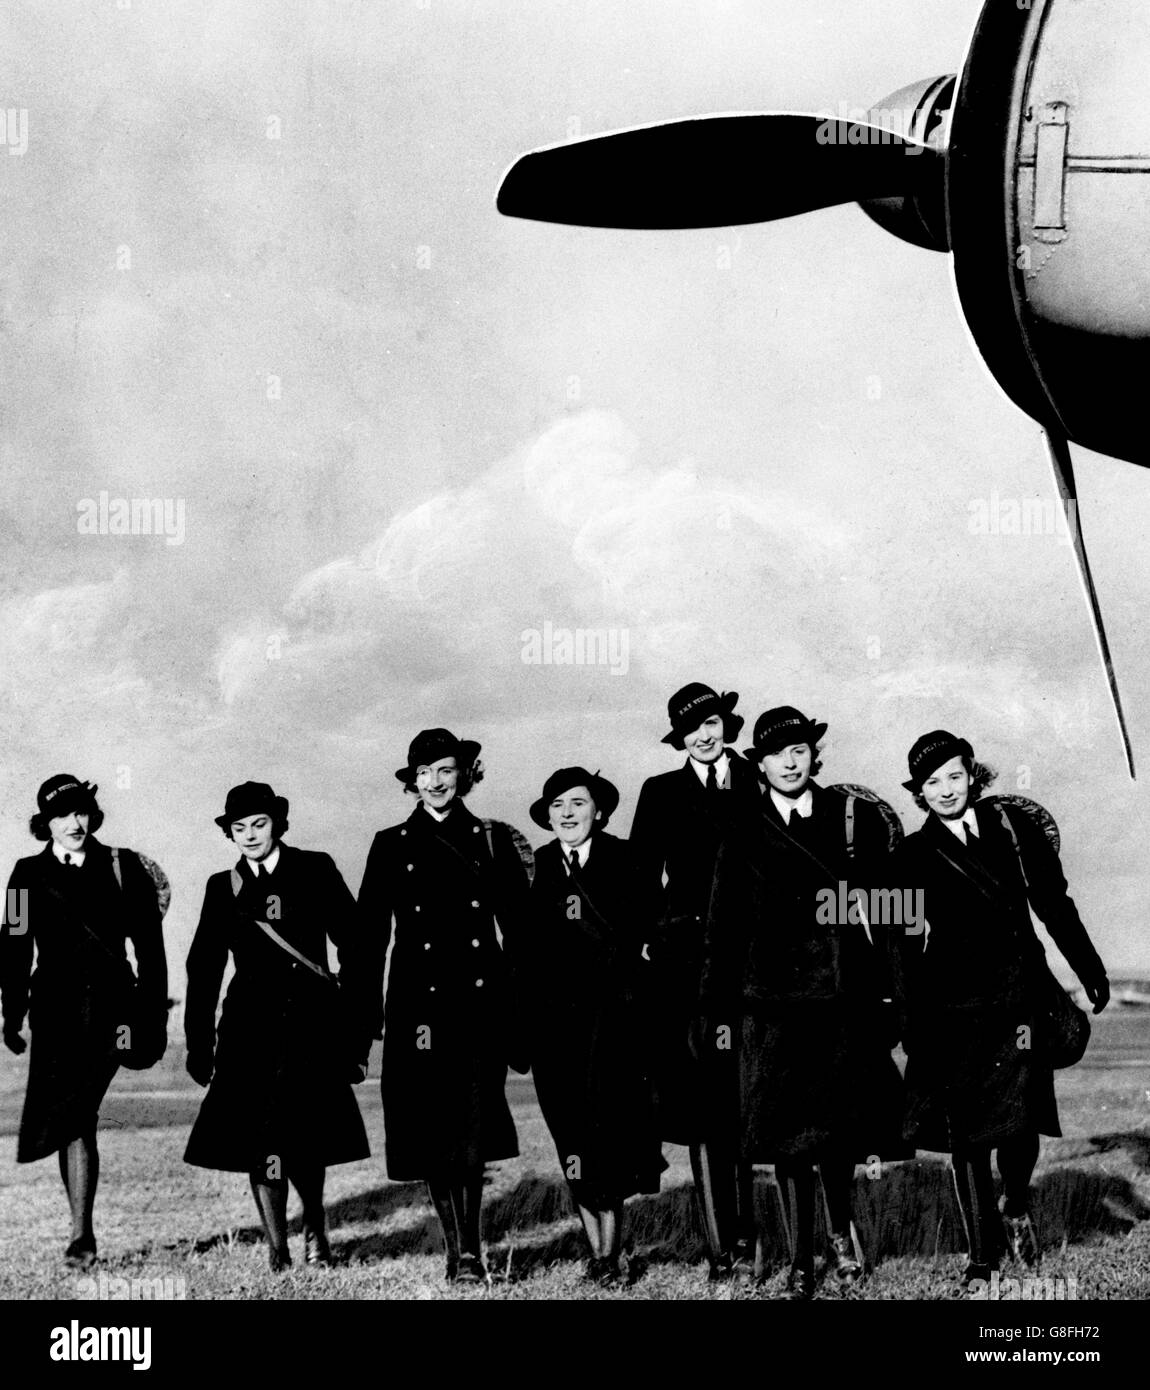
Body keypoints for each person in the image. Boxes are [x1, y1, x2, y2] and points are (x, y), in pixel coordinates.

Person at [892, 731, 1110, 1289]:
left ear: (973, 775)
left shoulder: (1014, 830)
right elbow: (904, 944)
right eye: (931, 782)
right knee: (968, 1136)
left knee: (1020, 1123)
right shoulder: (913, 855)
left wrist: (1090, 970)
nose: (945, 790)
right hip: (954, 1010)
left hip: (1021, 998)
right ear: (919, 792)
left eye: (954, 776)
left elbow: (1055, 905)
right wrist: (910, 1018)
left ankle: (1015, 1202)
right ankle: (981, 1256)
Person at [701, 708, 904, 1300]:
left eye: (800, 750)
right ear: (758, 765)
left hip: (840, 1004)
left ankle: (840, 1237)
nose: (790, 762)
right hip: (770, 1007)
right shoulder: (740, 829)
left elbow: (891, 911)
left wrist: (889, 993)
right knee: (787, 1142)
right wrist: (712, 1013)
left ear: (816, 756)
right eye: (777, 754)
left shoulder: (853, 819)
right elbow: (722, 928)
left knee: (837, 1136)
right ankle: (798, 1262)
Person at [354, 729, 530, 1284]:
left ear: (464, 775)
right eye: (424, 773)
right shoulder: (390, 844)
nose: (435, 783)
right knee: (433, 1131)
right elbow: (366, 941)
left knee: (472, 1133)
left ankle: (473, 1250)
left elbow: (521, 935)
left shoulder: (493, 840)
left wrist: (522, 1017)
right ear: (412, 781)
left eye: (446, 771)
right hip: (418, 1009)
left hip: (480, 1004)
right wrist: (363, 1023)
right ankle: (455, 1251)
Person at [184, 781, 369, 1271]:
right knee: (260, 1142)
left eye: (259, 824)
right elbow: (203, 969)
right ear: (230, 833)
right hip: (249, 1034)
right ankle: (277, 1248)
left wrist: (358, 1027)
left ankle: (315, 1232)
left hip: (313, 1029)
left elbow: (356, 945)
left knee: (307, 1139)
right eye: (239, 827)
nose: (249, 835)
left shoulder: (316, 868)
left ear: (278, 823)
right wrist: (199, 1044)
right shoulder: (221, 887)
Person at [0, 774, 168, 1269]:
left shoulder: (125, 867)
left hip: (114, 1012)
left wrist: (152, 1015)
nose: (73, 823)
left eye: (80, 812)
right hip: (54, 1012)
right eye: (60, 815)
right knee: (75, 1119)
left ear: (91, 815)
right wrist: (12, 1015)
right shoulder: (24, 874)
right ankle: (82, 1235)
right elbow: (12, 948)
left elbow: (151, 952)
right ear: (45, 823)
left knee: (77, 1112)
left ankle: (81, 1235)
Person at [629, 682, 759, 1280]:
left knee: (753, 1100)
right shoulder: (660, 791)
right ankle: (719, 1248)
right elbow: (637, 878)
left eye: (711, 724)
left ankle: (755, 1235)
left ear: (725, 725)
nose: (704, 737)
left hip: (757, 963)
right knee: (706, 1107)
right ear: (679, 739)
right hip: (688, 973)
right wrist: (661, 932)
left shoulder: (758, 777)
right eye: (691, 730)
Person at [523, 766, 663, 1286]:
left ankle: (610, 1252)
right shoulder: (534, 867)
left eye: (577, 803)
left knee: (614, 1137)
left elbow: (652, 932)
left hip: (617, 1027)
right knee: (573, 1141)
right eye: (557, 805)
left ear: (598, 811)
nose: (567, 814)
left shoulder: (627, 860)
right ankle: (598, 1251)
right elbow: (521, 952)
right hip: (556, 1031)